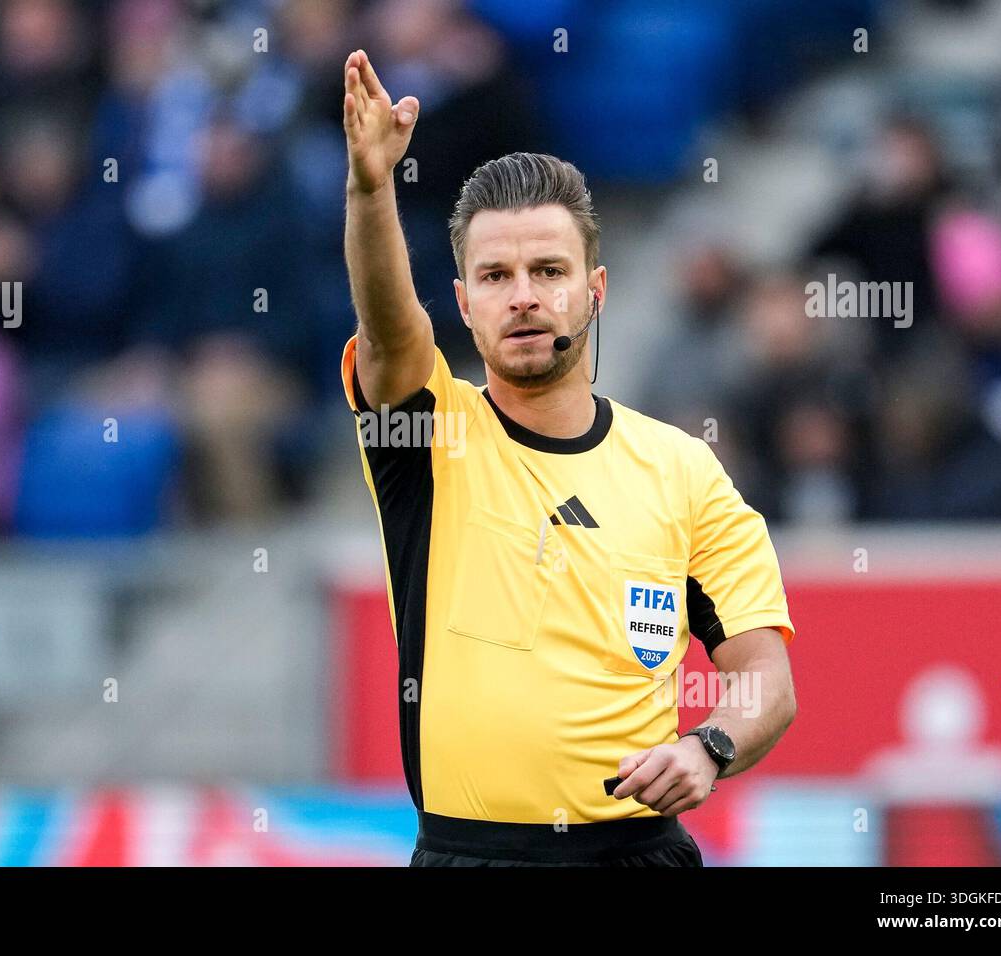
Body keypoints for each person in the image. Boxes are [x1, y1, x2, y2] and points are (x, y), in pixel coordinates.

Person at [339, 50, 797, 867]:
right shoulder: (429, 436)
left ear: (596, 290)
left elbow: (765, 675)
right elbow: (387, 329)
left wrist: (709, 748)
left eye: (549, 271)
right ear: (466, 304)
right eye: (496, 275)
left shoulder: (683, 471)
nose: (523, 294)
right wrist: (372, 191)